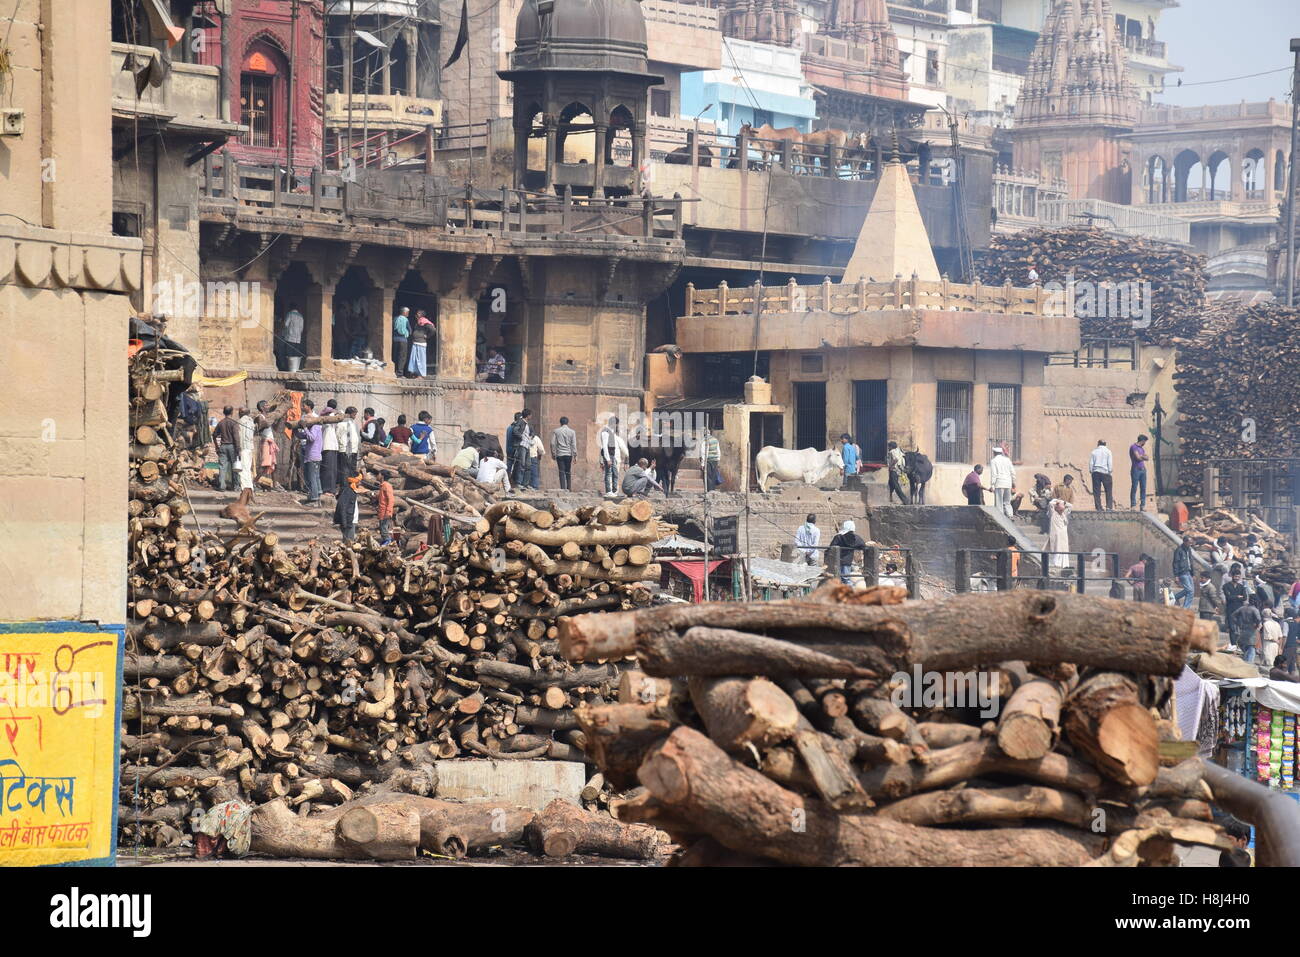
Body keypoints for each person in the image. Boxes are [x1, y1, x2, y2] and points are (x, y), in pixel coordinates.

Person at [829, 519, 866, 586]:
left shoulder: (838, 537)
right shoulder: (856, 538)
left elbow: (831, 548)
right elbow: (863, 545)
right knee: (846, 579)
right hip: (847, 562)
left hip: (837, 562)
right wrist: (855, 547)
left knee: (837, 579)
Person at [213, 406, 241, 492]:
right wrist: (238, 449)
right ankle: (236, 486)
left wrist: (217, 446)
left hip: (223, 446)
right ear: (232, 412)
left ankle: (222, 486)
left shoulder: (220, 423)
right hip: (232, 447)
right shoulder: (234, 423)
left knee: (222, 467)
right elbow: (236, 437)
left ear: (223, 412)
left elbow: (214, 435)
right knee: (235, 467)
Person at [299, 408, 323, 505]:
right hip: (314, 456)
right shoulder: (312, 428)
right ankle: (317, 495)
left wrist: (304, 427)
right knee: (316, 477)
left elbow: (311, 438)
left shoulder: (314, 427)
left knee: (312, 477)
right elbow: (303, 436)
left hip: (313, 456)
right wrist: (296, 431)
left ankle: (314, 499)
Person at [598, 415, 627, 495]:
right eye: (617, 424)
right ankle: (608, 491)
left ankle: (614, 491)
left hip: (612, 456)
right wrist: (607, 459)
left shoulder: (611, 432)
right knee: (608, 473)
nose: (617, 426)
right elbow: (604, 446)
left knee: (615, 473)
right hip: (609, 456)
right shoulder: (605, 432)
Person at [1224, 566, 1250, 650]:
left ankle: (1239, 644)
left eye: (1238, 577)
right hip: (1230, 609)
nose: (1237, 578)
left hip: (1239, 610)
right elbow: (1228, 597)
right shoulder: (1226, 586)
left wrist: (1235, 596)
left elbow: (1245, 597)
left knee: (1240, 627)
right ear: (1232, 576)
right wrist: (1238, 596)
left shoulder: (1241, 587)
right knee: (1232, 628)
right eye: (1235, 576)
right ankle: (1233, 644)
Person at [989, 445, 1016, 518]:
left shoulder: (993, 461)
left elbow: (994, 474)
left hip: (999, 483)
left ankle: (1000, 518)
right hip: (1008, 483)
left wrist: (992, 485)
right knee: (1007, 502)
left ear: (994, 453)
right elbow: (1013, 472)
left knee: (999, 503)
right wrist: (1013, 483)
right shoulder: (1007, 460)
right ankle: (1010, 515)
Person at [334, 472, 362, 543]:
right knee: (348, 544)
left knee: (349, 543)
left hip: (351, 521)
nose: (360, 483)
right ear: (355, 481)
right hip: (349, 522)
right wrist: (344, 523)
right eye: (359, 481)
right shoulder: (348, 491)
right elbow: (342, 506)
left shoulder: (353, 491)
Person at [320, 398, 340, 494]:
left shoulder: (330, 416)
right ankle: (329, 489)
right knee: (330, 468)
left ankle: (329, 489)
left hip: (330, 444)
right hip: (330, 444)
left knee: (329, 469)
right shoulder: (333, 415)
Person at [551, 416, 577, 491]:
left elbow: (552, 443)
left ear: (560, 423)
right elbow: (573, 444)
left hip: (560, 454)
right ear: (567, 422)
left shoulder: (556, 431)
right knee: (568, 471)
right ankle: (569, 488)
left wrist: (553, 453)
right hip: (568, 454)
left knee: (561, 471)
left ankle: (563, 488)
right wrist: (575, 455)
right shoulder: (572, 432)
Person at [337, 407, 361, 488]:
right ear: (349, 414)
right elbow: (338, 436)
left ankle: (351, 486)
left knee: (351, 469)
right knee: (345, 469)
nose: (355, 416)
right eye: (354, 414)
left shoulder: (354, 424)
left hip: (353, 450)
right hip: (345, 450)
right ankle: (345, 486)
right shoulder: (341, 424)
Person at [1046, 499, 1072, 572]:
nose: (1061, 510)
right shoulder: (1053, 513)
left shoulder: (1064, 514)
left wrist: (1064, 502)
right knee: (1057, 549)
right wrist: (1057, 501)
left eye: (1062, 509)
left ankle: (1065, 565)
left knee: (1064, 549)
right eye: (1060, 508)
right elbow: (1050, 503)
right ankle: (1056, 564)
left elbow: (1070, 506)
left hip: (1064, 535)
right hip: (1056, 535)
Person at [509, 409, 533, 488]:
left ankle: (525, 484)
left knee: (528, 465)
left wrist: (531, 436)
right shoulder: (520, 422)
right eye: (530, 415)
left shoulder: (528, 424)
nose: (531, 416)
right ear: (528, 415)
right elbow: (515, 431)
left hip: (527, 445)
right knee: (521, 464)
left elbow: (532, 432)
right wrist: (521, 436)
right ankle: (518, 482)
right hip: (521, 445)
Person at [1088, 439, 1113, 511]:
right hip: (1105, 472)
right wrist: (1110, 471)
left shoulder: (1094, 451)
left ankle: (1098, 507)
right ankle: (1108, 507)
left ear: (1098, 444)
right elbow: (1110, 463)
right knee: (1108, 490)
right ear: (1105, 444)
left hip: (1096, 472)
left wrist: (1091, 471)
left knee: (1096, 491)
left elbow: (1091, 463)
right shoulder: (1108, 451)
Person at [1172, 537, 1196, 609]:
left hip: (1189, 572)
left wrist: (1193, 574)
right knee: (1190, 590)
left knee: (1191, 591)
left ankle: (1174, 597)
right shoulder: (1179, 550)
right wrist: (1176, 575)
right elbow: (1175, 563)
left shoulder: (1189, 550)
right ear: (1185, 542)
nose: (1190, 544)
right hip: (1182, 572)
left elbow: (1191, 562)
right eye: (1189, 542)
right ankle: (1185, 608)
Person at [407, 312, 433, 378]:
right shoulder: (418, 322)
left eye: (418, 313)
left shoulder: (425, 322)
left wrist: (427, 336)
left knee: (421, 359)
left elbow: (433, 329)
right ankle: (415, 373)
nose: (416, 314)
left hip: (421, 343)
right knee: (414, 359)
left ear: (422, 315)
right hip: (415, 343)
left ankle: (421, 374)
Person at [237, 406, 256, 491]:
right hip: (250, 448)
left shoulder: (241, 421)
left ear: (241, 413)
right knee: (248, 468)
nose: (238, 413)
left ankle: (245, 488)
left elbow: (240, 436)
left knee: (243, 469)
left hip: (243, 448)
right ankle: (250, 487)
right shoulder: (251, 421)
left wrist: (238, 448)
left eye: (239, 412)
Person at [1129, 434, 1149, 511]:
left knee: (1143, 488)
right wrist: (1143, 457)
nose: (1145, 443)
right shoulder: (1134, 447)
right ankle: (1133, 505)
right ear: (1142, 441)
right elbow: (1138, 458)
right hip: (1136, 469)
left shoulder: (1141, 449)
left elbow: (1147, 457)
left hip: (1143, 469)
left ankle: (1142, 506)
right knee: (1134, 487)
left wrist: (1142, 457)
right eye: (1145, 442)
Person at [281, 302, 304, 370]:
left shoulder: (290, 314)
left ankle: (289, 369)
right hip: (298, 339)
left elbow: (285, 324)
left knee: (289, 354)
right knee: (296, 355)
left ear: (290, 308)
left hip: (290, 338)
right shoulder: (300, 316)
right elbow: (302, 328)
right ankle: (295, 369)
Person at [377, 475, 396, 545]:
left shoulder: (387, 486)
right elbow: (383, 498)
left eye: (378, 474)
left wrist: (388, 512)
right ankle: (386, 544)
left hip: (385, 512)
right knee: (383, 530)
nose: (377, 475)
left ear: (382, 476)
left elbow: (391, 500)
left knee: (384, 530)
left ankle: (388, 545)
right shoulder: (382, 486)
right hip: (382, 512)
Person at [393, 307, 411, 378]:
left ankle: (394, 371)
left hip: (395, 340)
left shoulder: (395, 319)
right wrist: (407, 333)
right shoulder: (406, 320)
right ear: (404, 312)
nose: (408, 314)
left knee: (395, 356)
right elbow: (410, 330)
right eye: (407, 312)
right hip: (403, 341)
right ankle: (399, 374)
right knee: (402, 357)